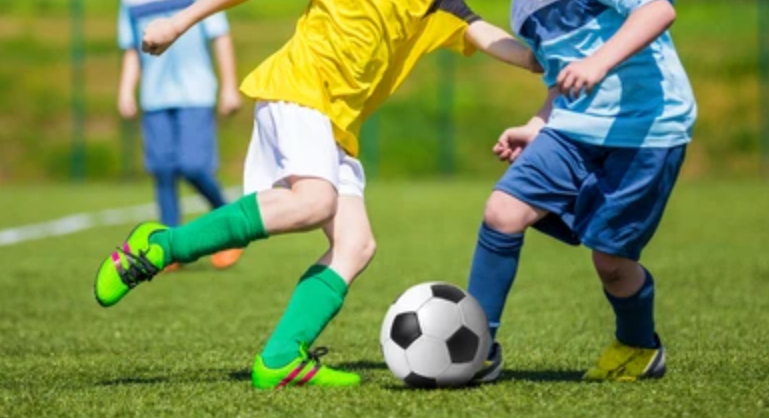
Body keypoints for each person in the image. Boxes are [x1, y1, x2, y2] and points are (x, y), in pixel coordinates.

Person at [95, 0, 542, 389]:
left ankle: (281, 358)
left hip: (334, 126)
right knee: (314, 202)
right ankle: (159, 247)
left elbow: (484, 34)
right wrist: (179, 22)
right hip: (299, 90)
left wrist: (537, 59)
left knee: (356, 245)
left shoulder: (437, 5)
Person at [467, 0, 697, 383]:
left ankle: (638, 346)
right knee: (502, 212)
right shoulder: (522, 11)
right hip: (573, 129)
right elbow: (562, 79)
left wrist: (599, 61)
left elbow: (658, 10)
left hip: (647, 131)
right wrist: (537, 125)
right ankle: (475, 348)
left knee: (611, 263)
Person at [117, 0, 244, 271]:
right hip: (155, 99)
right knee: (163, 170)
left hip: (195, 94)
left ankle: (231, 228)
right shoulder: (129, 2)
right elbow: (132, 49)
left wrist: (229, 86)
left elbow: (220, 36)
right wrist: (126, 89)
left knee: (193, 166)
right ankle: (170, 249)